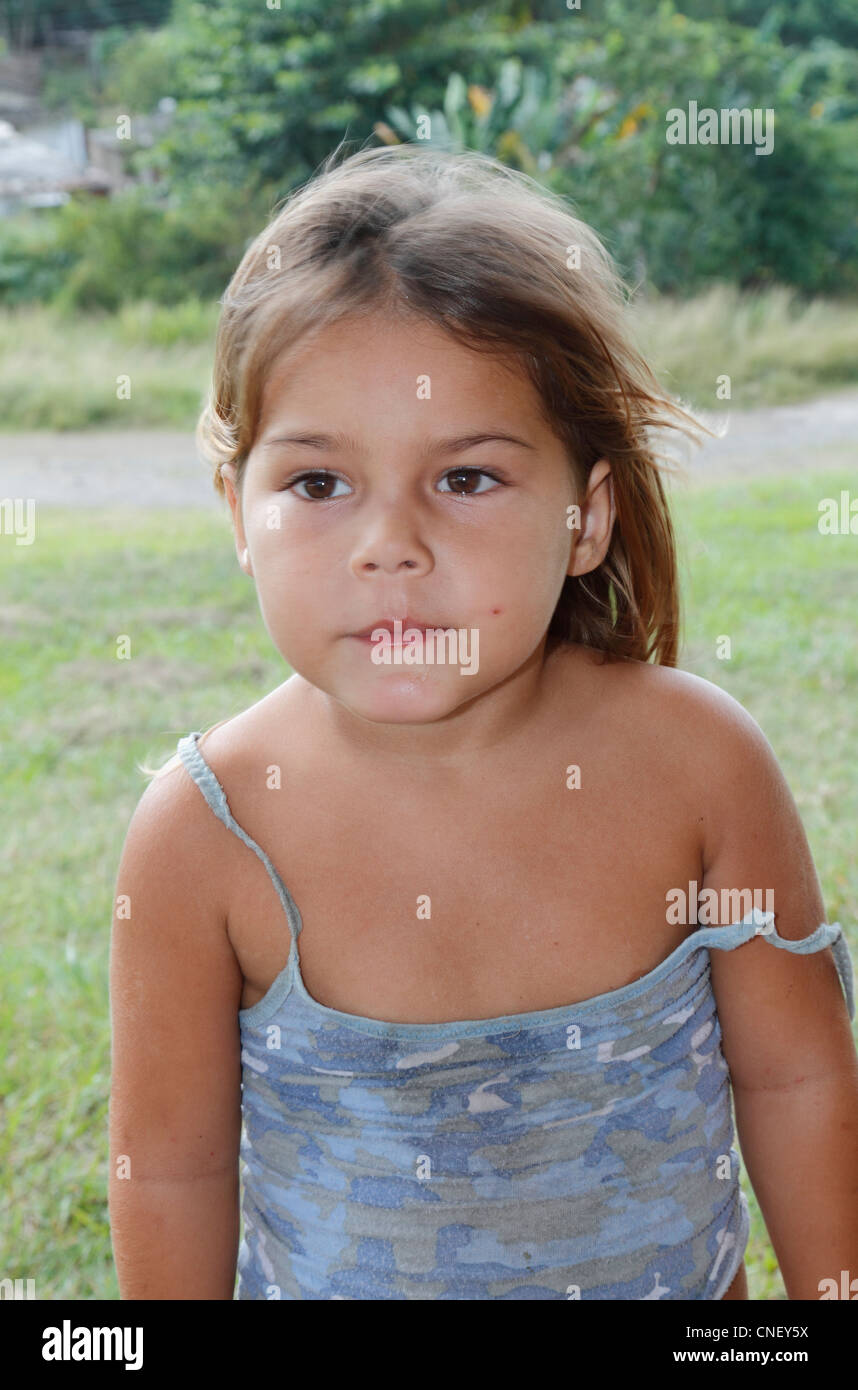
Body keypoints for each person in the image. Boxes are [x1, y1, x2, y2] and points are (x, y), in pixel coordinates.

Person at [108, 142, 857, 1300]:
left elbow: (797, 1081)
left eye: (465, 479)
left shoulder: (699, 765)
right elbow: (167, 1169)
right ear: (237, 514)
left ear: (585, 516)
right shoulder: (204, 832)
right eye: (316, 483)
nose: (388, 544)